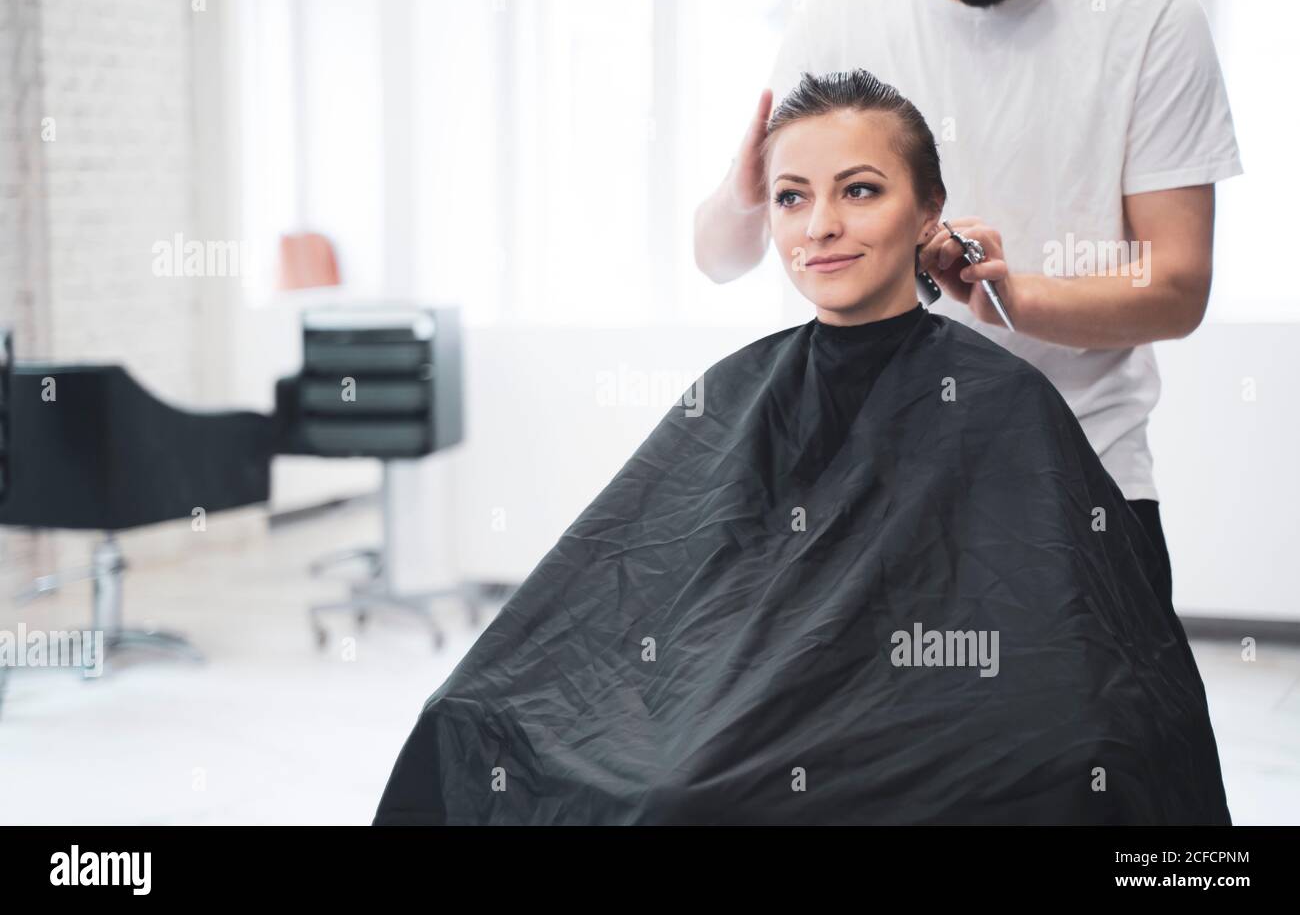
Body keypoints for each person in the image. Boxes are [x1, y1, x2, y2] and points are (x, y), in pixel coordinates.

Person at [375, 71, 1229, 825]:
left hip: (912, 715)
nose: (819, 226)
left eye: (859, 191)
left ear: (928, 208)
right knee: (476, 716)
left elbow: (1063, 667)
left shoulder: (999, 398)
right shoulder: (742, 388)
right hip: (752, 702)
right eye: (791, 197)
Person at [693, 0, 1243, 630]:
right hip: (865, 488)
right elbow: (719, 257)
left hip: (1080, 475)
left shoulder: (1149, 14)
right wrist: (746, 192)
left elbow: (1178, 289)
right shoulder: (839, 15)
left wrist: (1015, 299)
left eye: (861, 189)